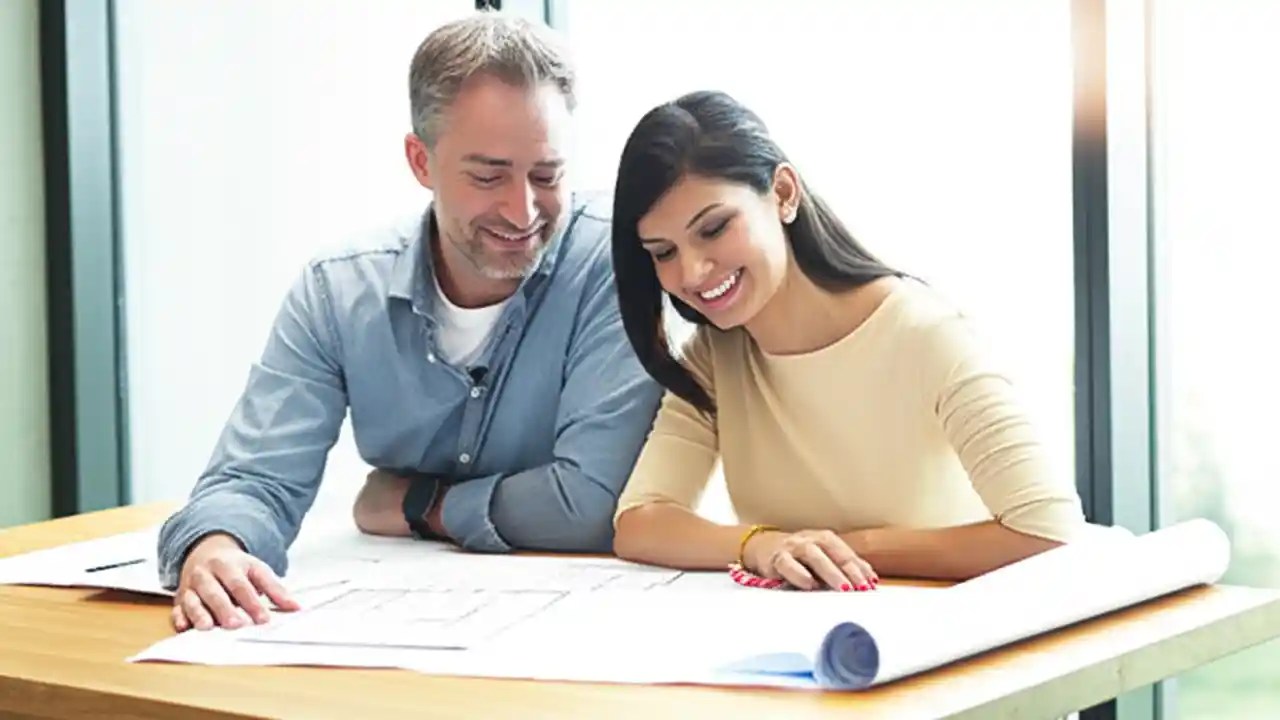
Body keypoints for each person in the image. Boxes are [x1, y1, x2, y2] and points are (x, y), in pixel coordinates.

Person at [157, 12, 662, 632]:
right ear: (420, 161)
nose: (523, 208)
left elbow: (592, 505)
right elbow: (255, 477)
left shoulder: (616, 266)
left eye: (546, 175)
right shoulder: (337, 291)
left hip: (579, 637)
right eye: (488, 175)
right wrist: (215, 547)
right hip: (392, 638)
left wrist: (419, 504)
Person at [608, 90, 1087, 592]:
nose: (692, 271)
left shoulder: (924, 335)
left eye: (714, 228)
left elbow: (1049, 533)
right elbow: (641, 522)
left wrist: (846, 548)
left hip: (951, 647)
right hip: (809, 648)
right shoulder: (716, 357)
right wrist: (760, 543)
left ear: (784, 194)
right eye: (663, 252)